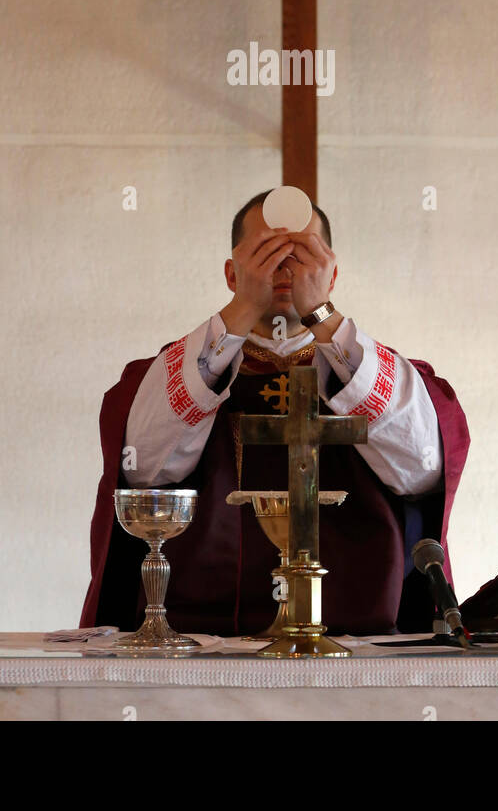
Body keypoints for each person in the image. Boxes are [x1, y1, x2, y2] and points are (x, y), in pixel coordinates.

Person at [80, 192, 470, 636]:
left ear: (332, 273)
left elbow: (421, 470)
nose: (285, 268)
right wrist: (244, 308)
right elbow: (146, 470)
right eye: (265, 254)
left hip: (355, 635)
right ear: (232, 273)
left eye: (303, 255)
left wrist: (321, 314)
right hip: (203, 636)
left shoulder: (369, 370)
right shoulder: (184, 371)